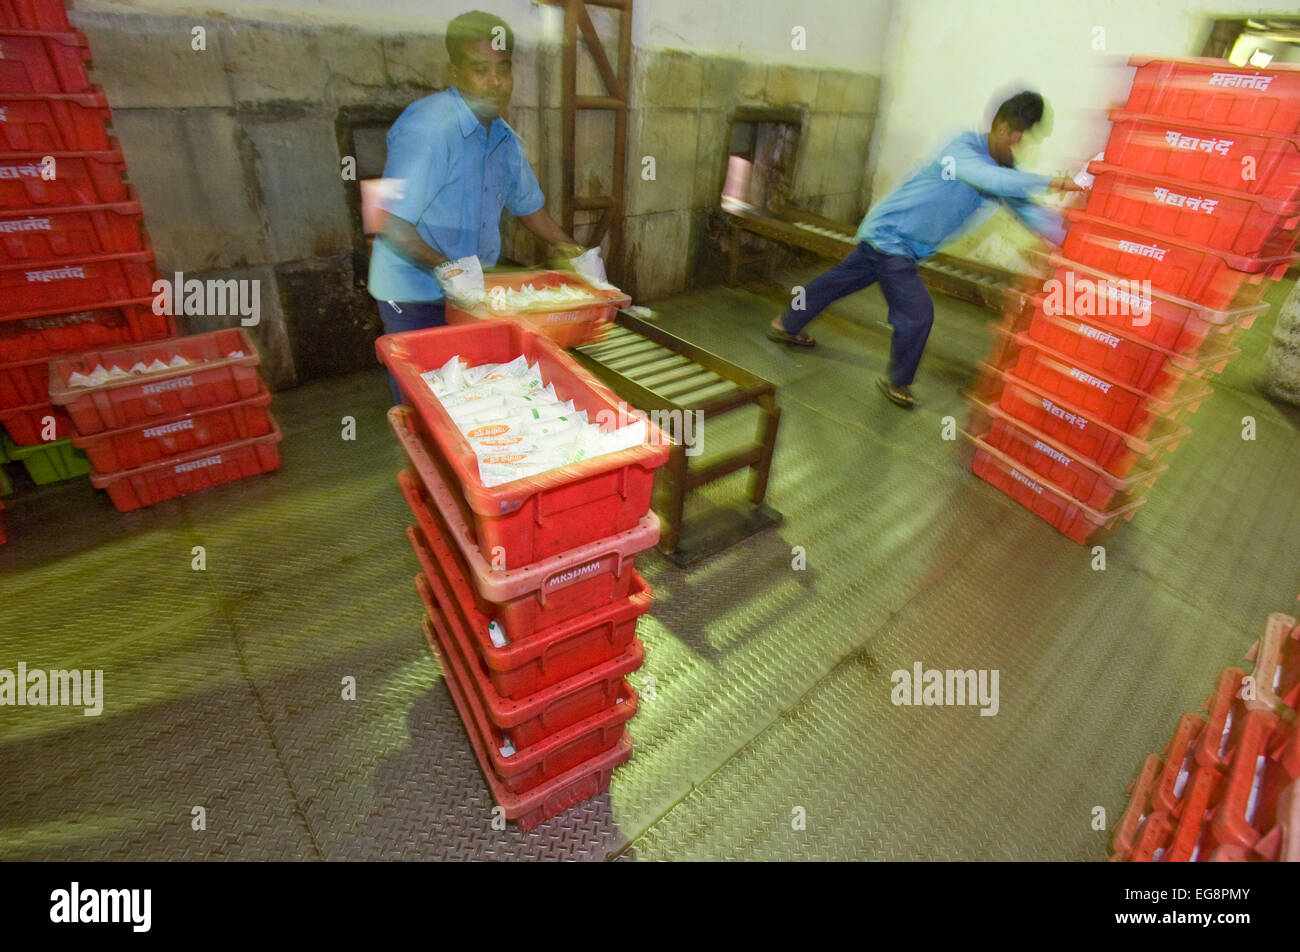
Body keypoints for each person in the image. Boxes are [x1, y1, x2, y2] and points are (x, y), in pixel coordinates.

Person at [767, 91, 1082, 409]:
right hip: (892, 239)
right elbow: (991, 179)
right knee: (918, 313)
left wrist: (1075, 239)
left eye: (1021, 140)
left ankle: (785, 325)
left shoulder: (1004, 171)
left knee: (834, 282)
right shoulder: (963, 149)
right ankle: (899, 382)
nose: (1017, 145)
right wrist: (1056, 182)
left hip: (893, 239)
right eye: (1015, 137)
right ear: (1000, 127)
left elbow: (1027, 210)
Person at [368, 10, 580, 403]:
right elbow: (390, 222)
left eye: (504, 68)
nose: (496, 82)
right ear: (455, 72)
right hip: (413, 293)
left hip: (467, 292)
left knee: (470, 398)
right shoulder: (429, 131)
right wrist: (447, 269)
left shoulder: (502, 138)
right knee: (427, 405)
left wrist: (572, 249)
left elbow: (527, 207)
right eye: (480, 69)